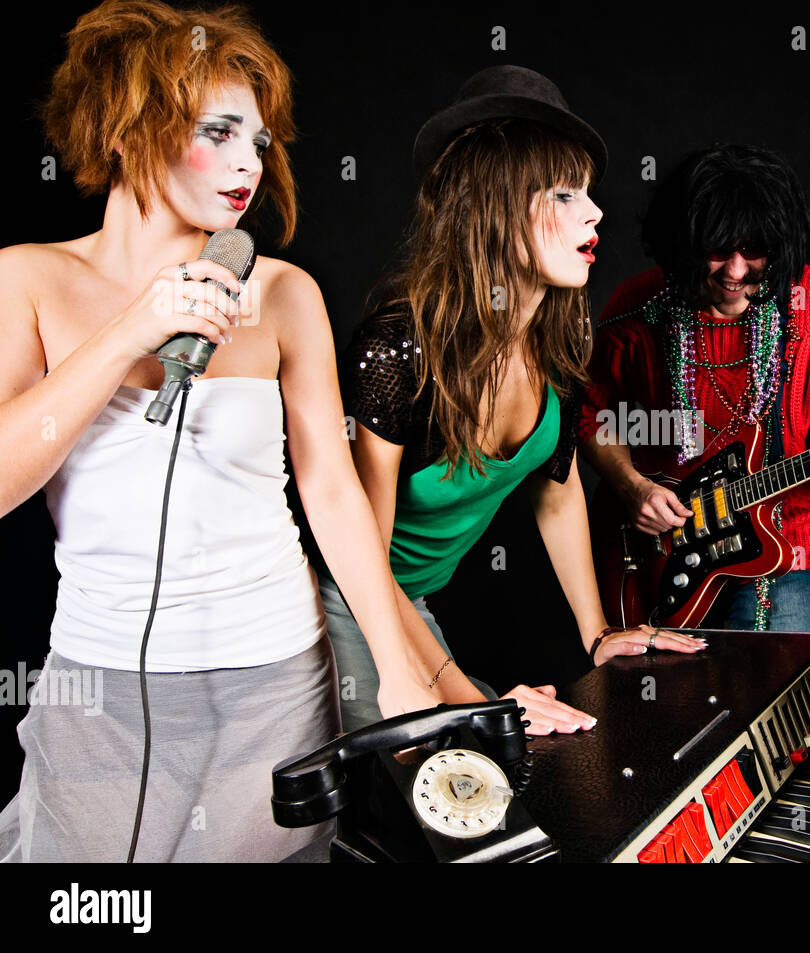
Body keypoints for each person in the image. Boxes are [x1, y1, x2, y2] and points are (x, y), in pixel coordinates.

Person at [0, 0, 453, 862]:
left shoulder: (283, 294)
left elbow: (331, 492)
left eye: (260, 140)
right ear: (126, 131)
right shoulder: (25, 280)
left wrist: (398, 663)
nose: (250, 162)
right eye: (220, 132)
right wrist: (129, 333)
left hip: (277, 680)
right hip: (100, 691)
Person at [323, 65, 705, 733]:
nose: (595, 212)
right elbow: (362, 556)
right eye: (564, 194)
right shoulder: (399, 350)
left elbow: (557, 489)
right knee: (457, 759)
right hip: (342, 600)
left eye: (589, 192)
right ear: (494, 205)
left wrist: (596, 635)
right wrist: (469, 699)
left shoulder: (556, 346)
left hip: (411, 601)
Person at [579, 144, 810, 632]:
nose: (735, 272)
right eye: (716, 251)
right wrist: (632, 487)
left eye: (755, 252)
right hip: (657, 558)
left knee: (777, 684)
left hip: (781, 557)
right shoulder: (640, 306)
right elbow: (592, 413)